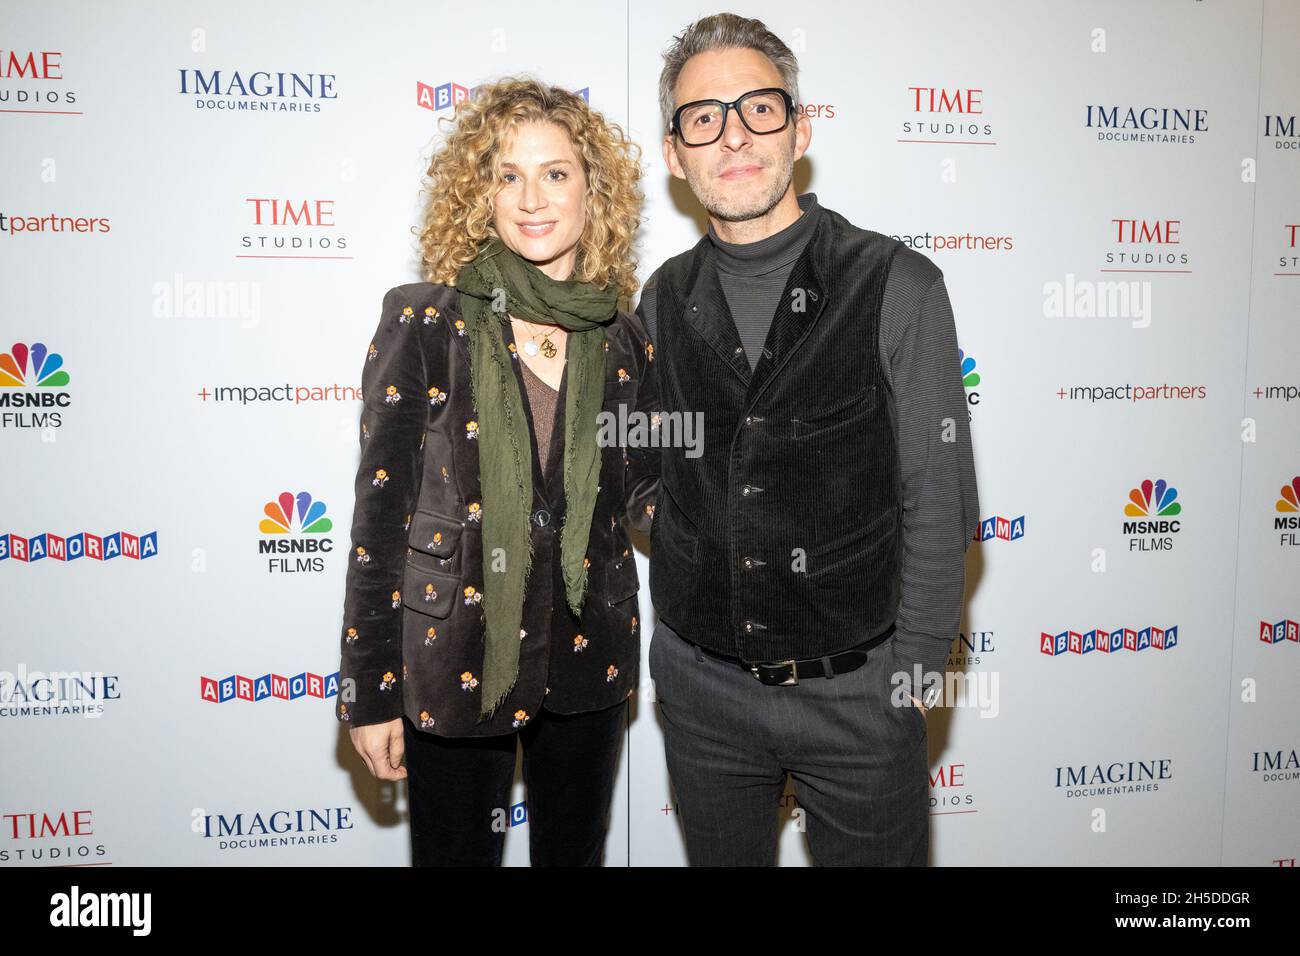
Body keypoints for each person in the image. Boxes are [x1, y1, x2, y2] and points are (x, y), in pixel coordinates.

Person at [638, 13, 980, 865]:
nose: (734, 136)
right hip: (701, 694)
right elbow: (640, 464)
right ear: (675, 152)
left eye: (759, 107)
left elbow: (939, 505)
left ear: (800, 125)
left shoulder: (897, 282)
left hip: (859, 698)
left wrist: (906, 686)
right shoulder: (660, 297)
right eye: (703, 118)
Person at [335, 77, 657, 866]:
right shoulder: (424, 320)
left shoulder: (624, 336)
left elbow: (644, 498)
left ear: (593, 189)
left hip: (590, 658)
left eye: (555, 173)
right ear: (479, 193)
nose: (531, 198)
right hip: (454, 654)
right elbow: (381, 520)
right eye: (506, 175)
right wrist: (369, 691)